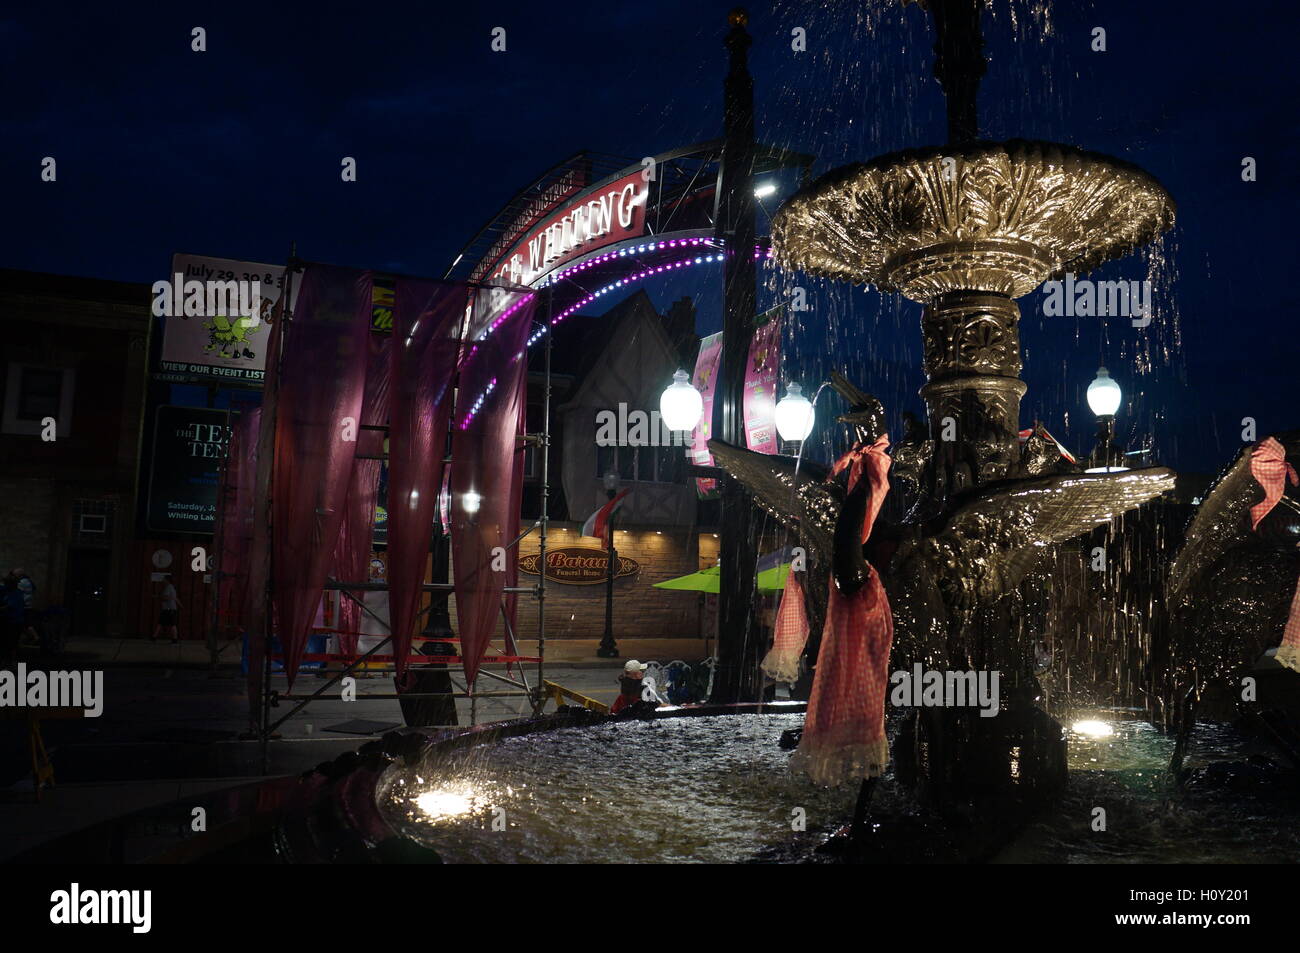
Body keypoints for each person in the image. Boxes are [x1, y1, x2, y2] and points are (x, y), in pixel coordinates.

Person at [152, 577, 181, 644]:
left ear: (167, 580)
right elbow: (175, 598)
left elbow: (166, 598)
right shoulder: (172, 587)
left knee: (171, 624)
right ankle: (154, 637)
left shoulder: (168, 587)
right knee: (162, 623)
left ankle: (174, 639)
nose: (162, 580)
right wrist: (180, 605)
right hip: (170, 609)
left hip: (168, 609)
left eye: (164, 579)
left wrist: (158, 596)